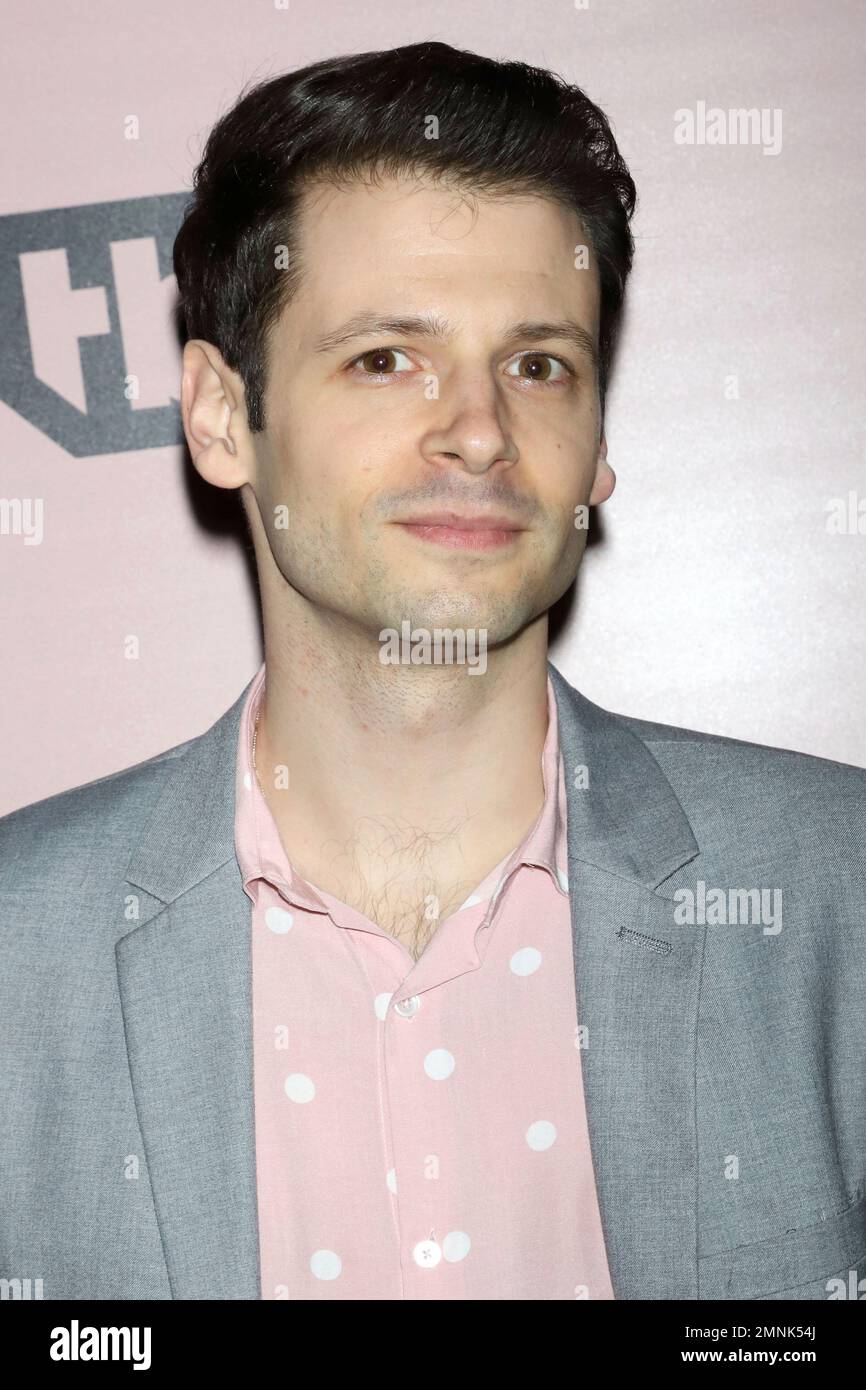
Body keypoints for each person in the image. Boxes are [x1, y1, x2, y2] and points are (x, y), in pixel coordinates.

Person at [1, 41, 864, 1303]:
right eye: (384, 357)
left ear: (597, 448)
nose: (478, 429)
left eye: (536, 364)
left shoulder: (832, 895)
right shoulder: (22, 954)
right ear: (221, 417)